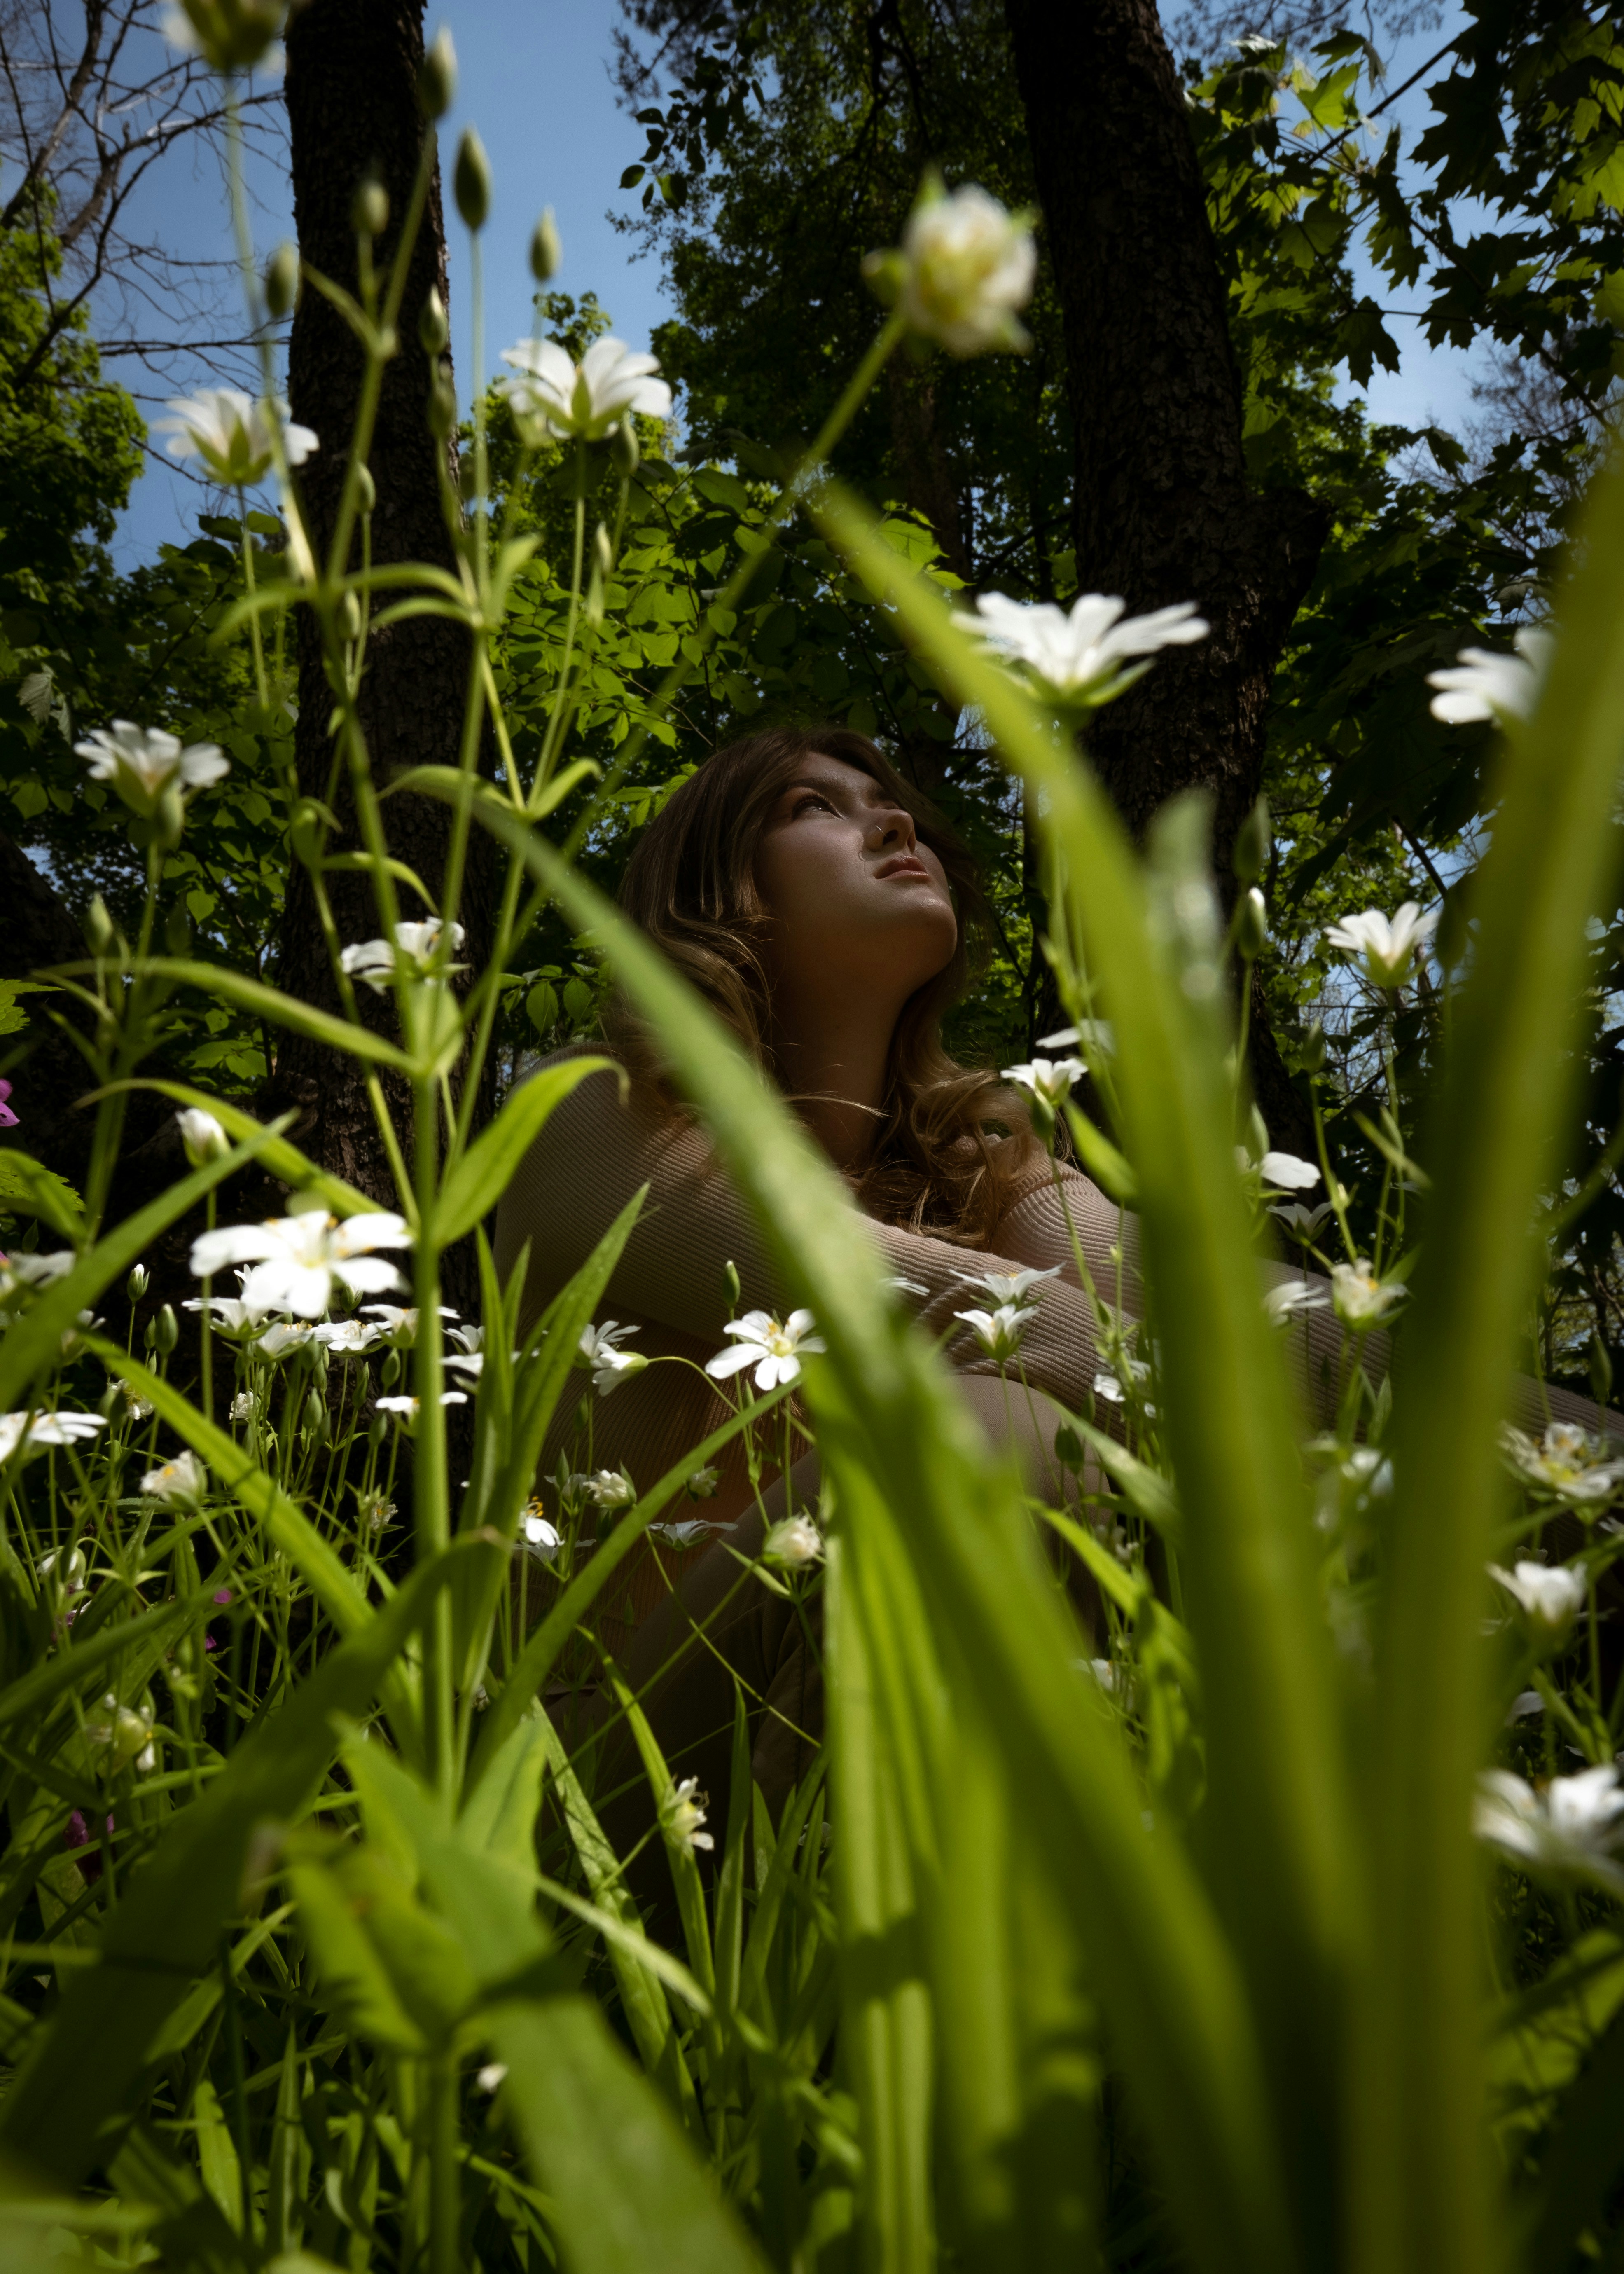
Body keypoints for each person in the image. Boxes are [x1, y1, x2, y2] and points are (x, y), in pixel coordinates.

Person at [494, 723, 1609, 1872]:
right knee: (994, 1438)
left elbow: (1232, 1322)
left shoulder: (983, 1153)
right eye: (812, 808)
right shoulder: (587, 1111)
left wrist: (1588, 1460)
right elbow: (956, 1308)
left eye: (899, 804)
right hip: (606, 1814)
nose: (896, 822)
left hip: (913, 1808)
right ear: (718, 892)